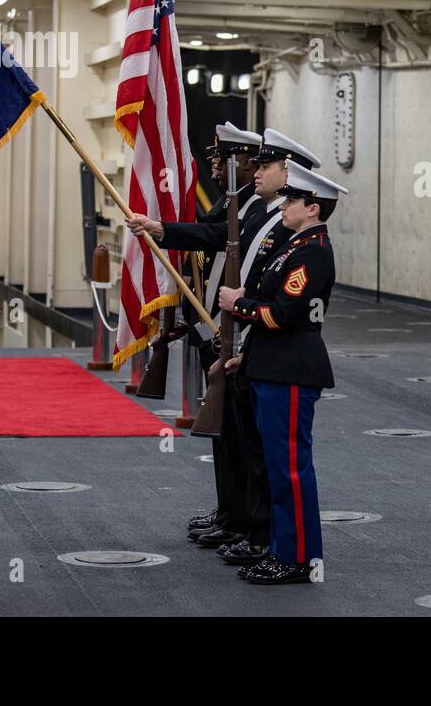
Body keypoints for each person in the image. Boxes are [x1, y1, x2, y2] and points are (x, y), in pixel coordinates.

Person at [127, 123, 260, 548]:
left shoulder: (252, 207)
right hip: (210, 330)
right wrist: (187, 316)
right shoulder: (228, 201)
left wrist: (162, 229)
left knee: (237, 437)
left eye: (224, 158)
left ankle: (241, 520)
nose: (215, 165)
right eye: (214, 158)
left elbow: (215, 237)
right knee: (220, 430)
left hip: (234, 334)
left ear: (247, 163)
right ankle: (228, 511)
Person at [219, 159, 347, 585]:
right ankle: (284, 549)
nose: (286, 204)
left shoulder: (311, 252)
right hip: (272, 366)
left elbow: (283, 315)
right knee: (277, 466)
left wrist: (237, 305)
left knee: (289, 466)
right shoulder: (293, 247)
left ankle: (295, 557)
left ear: (313, 208)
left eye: (293, 199)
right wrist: (248, 356)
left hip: (291, 370)